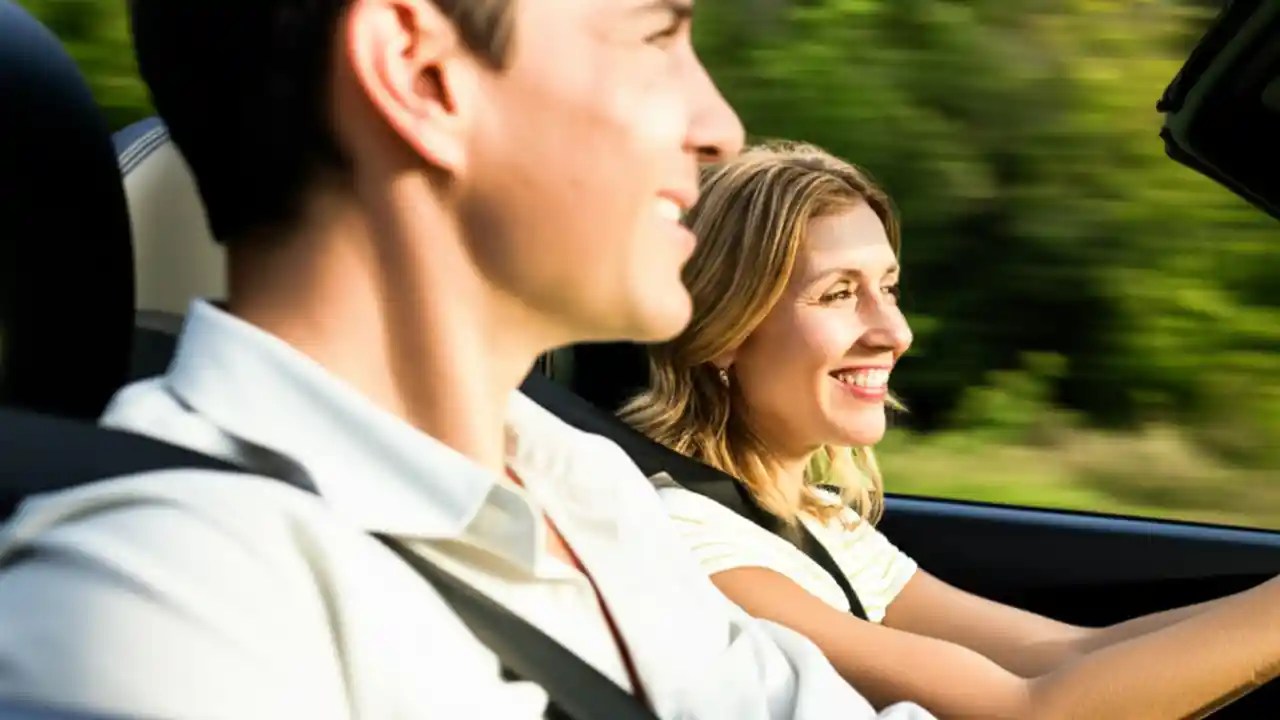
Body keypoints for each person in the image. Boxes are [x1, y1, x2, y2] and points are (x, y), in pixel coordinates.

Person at [0, 4, 933, 720]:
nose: (719, 125)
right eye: (656, 37)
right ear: (421, 74)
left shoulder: (586, 485)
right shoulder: (163, 604)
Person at [623, 140, 1280, 719]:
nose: (895, 333)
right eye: (839, 293)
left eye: (889, 288)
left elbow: (1065, 652)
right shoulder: (695, 541)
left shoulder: (816, 519)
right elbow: (1027, 712)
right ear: (727, 331)